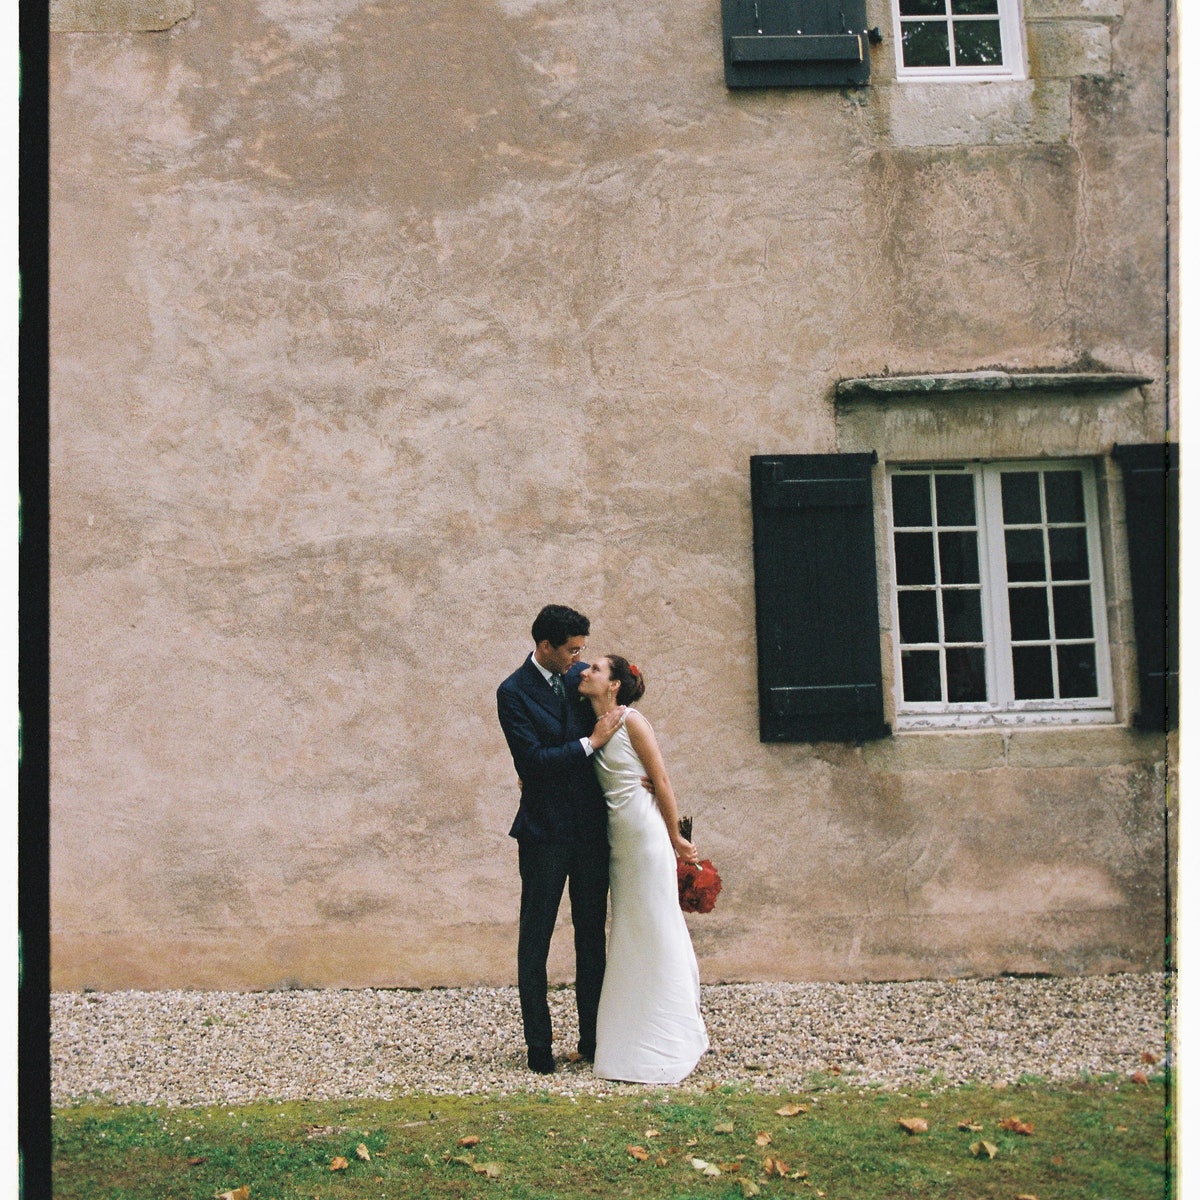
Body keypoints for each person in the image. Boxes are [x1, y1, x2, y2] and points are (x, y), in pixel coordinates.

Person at [496, 605, 627, 1074]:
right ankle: (538, 1049)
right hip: (544, 833)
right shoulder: (512, 693)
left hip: (590, 830)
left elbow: (619, 725)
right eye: (571, 650)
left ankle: (593, 1041)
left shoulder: (579, 681)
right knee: (537, 937)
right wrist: (589, 744)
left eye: (582, 651)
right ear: (545, 646)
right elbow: (531, 760)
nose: (578, 659)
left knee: (592, 937)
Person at [577, 654, 709, 1084]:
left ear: (614, 684)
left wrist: (676, 838)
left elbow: (662, 780)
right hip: (620, 845)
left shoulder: (633, 721)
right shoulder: (590, 725)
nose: (586, 672)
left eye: (595, 669)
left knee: (656, 926)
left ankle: (671, 1036)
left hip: (647, 841)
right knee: (632, 931)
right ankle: (629, 1036)